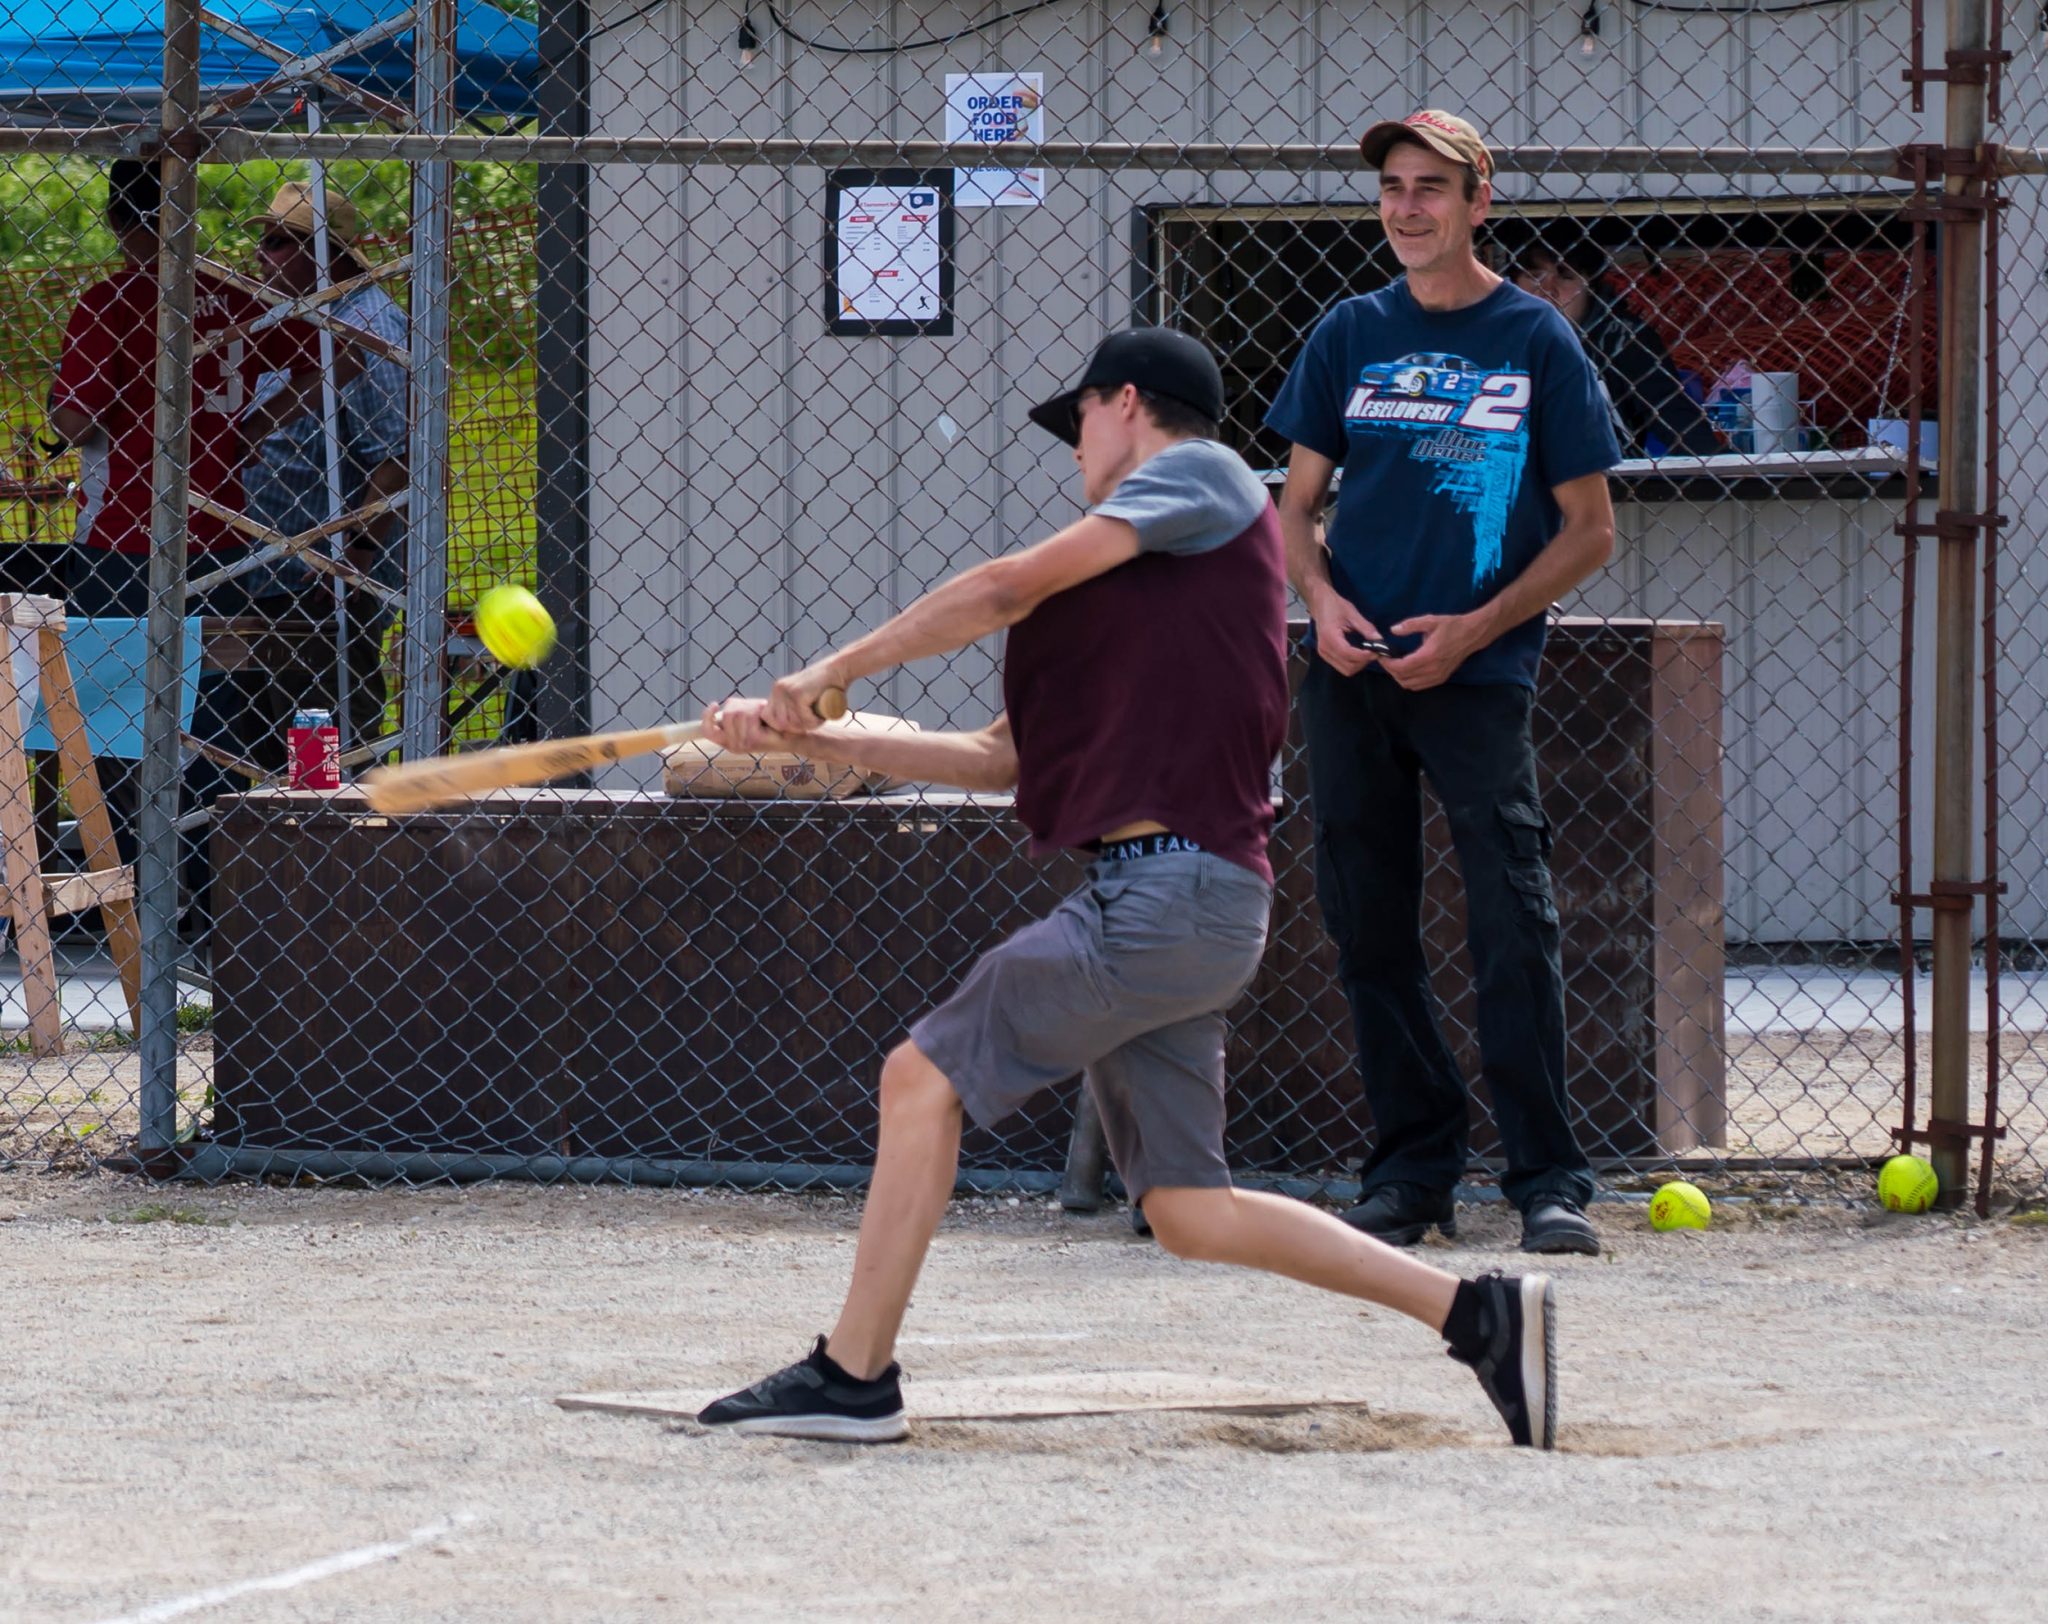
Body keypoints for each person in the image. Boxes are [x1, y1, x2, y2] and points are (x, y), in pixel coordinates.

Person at [689, 327, 1562, 1450]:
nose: (1074, 451)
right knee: (1189, 1211)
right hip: (1182, 905)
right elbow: (1001, 758)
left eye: (1082, 420)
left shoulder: (1198, 476)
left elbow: (1002, 585)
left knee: (918, 1078)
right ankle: (1476, 1315)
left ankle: (851, 1376)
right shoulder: (1144, 595)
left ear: (1130, 403)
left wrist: (830, 670)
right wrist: (814, 737)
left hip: (1164, 900)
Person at [1266, 109, 1620, 1258]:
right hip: (1351, 672)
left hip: (1474, 676)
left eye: (1430, 187)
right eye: (1391, 186)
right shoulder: (1346, 333)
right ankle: (1411, 1174)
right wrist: (1319, 608)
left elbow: (1588, 531)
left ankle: (1545, 1180)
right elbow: (1291, 508)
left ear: (1478, 202)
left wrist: (1472, 631)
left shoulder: (1533, 340)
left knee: (1511, 918)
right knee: (1367, 923)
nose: (1405, 206)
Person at [43, 158, 341, 907]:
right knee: (213, 717)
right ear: (185, 216)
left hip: (127, 536)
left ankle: (132, 888)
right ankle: (211, 889)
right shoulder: (230, 294)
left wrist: (87, 421)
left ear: (116, 222)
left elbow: (76, 418)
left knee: (111, 716)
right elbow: (334, 360)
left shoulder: (114, 300)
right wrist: (249, 425)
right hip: (222, 534)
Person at [239, 182, 410, 749]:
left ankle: (351, 839)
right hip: (271, 570)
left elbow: (395, 462)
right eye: (263, 240)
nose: (262, 253)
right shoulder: (291, 319)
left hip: (323, 584)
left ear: (326, 252)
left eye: (280, 242)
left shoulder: (366, 325)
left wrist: (349, 558)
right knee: (272, 748)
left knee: (325, 748)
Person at [1509, 230, 1718, 458]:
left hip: (1606, 481)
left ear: (1591, 286)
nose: (1547, 291)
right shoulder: (1493, 334)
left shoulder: (1622, 337)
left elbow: (1677, 420)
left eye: (1565, 276)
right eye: (1534, 276)